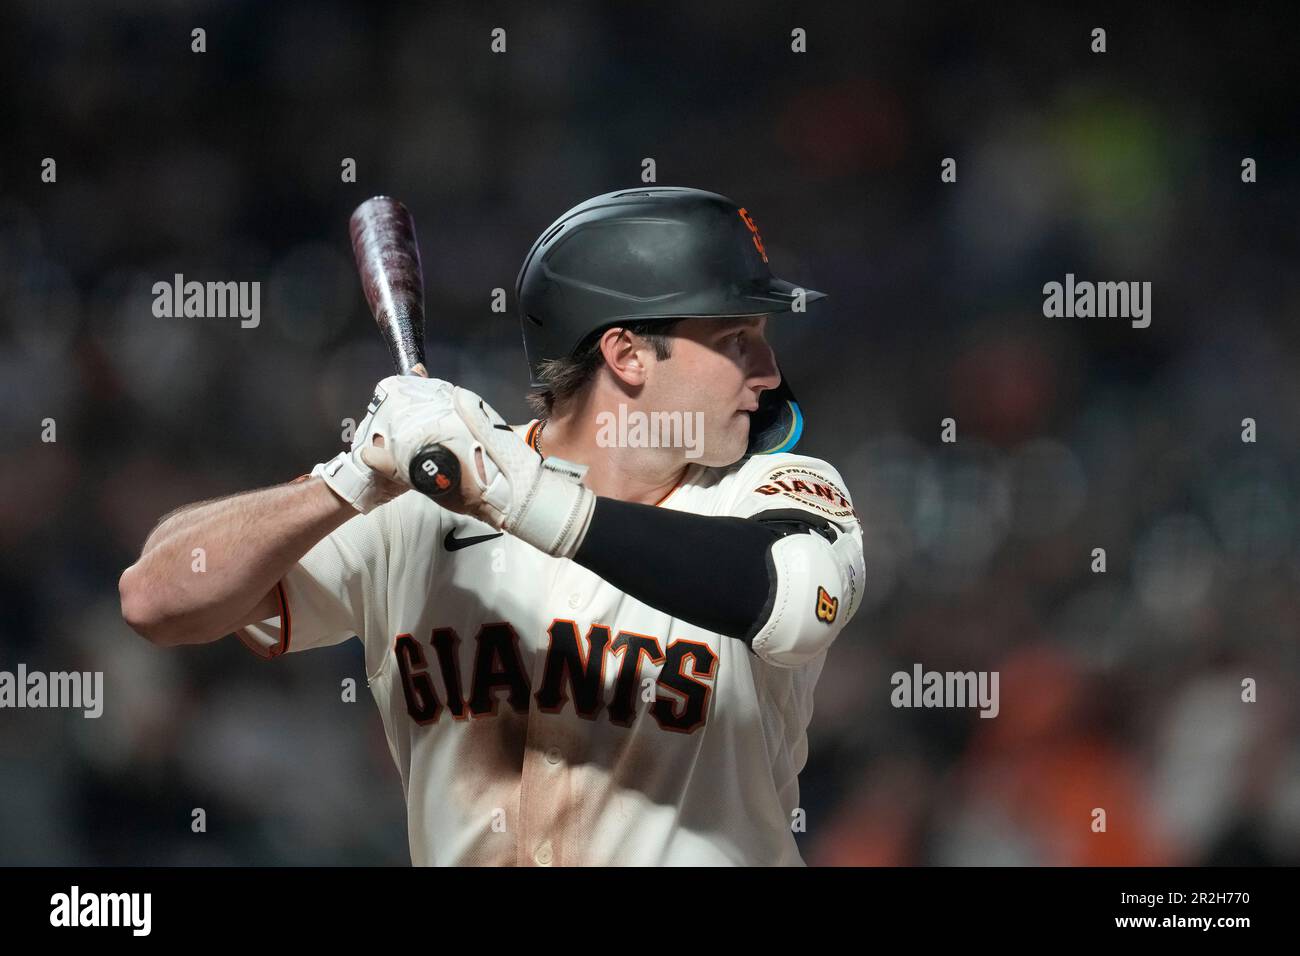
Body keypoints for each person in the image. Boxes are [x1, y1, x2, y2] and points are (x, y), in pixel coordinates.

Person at [119, 187, 865, 866]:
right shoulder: (417, 506)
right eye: (737, 337)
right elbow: (155, 600)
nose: (768, 371)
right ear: (628, 354)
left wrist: (521, 498)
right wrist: (346, 482)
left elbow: (797, 604)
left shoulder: (771, 491)